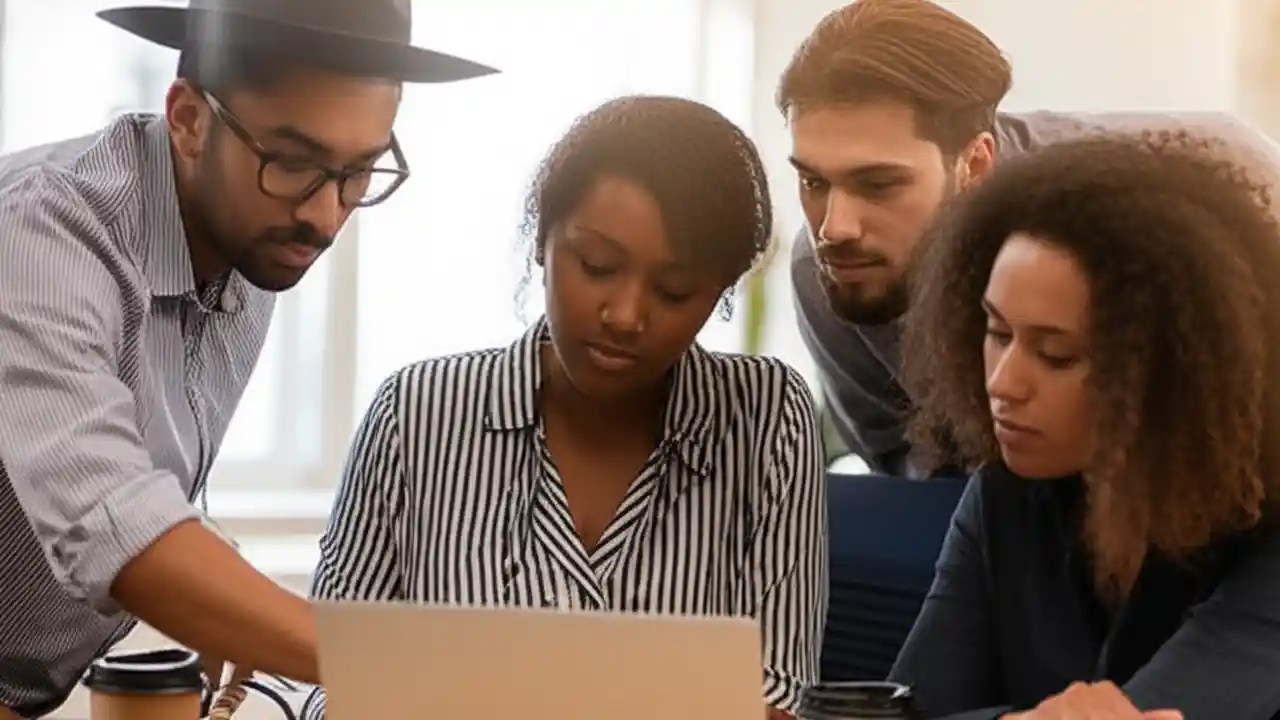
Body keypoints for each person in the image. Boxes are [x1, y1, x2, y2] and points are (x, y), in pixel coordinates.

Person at [0, 0, 495, 715]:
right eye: (293, 163)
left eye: (359, 172)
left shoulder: (253, 238)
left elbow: (139, 462)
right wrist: (394, 662)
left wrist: (215, 592)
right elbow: (111, 517)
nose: (326, 218)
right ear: (190, 120)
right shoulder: (42, 234)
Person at [303, 95, 828, 720]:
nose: (625, 316)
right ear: (542, 241)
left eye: (675, 290)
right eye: (597, 265)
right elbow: (331, 678)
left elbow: (781, 694)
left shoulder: (767, 419)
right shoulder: (413, 415)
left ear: (717, 293)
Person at [779, 0, 1280, 477]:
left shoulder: (1221, 180)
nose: (835, 228)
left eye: (879, 184)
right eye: (813, 182)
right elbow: (907, 470)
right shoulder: (829, 269)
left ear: (974, 163)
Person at [887, 133, 1280, 719]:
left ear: (1169, 372)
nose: (1003, 382)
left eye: (1056, 354)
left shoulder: (1264, 529)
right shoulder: (1003, 494)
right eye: (998, 333)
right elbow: (907, 710)